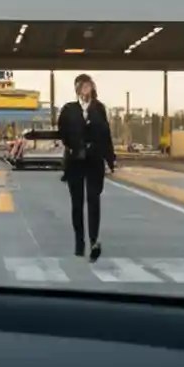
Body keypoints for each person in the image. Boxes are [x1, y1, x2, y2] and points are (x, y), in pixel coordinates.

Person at [56, 73, 116, 262]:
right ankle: (79, 242)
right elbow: (62, 132)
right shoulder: (68, 109)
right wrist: (75, 145)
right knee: (77, 203)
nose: (85, 89)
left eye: (88, 86)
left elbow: (106, 134)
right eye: (82, 86)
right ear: (77, 89)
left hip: (94, 160)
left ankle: (93, 241)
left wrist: (110, 158)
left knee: (93, 201)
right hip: (75, 161)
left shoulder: (99, 108)